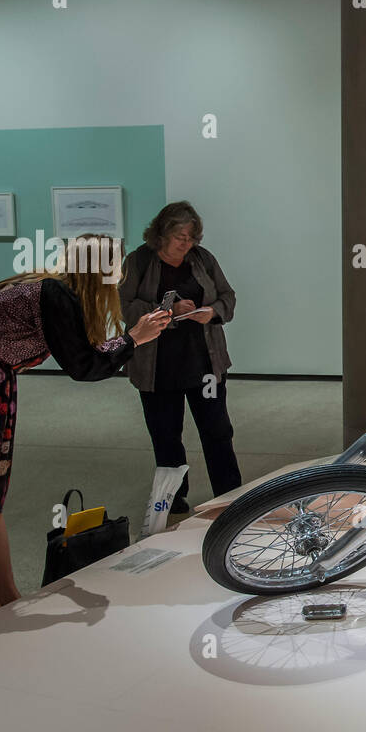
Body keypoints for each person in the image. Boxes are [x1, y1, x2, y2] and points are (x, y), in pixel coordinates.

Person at [0, 239, 172, 617]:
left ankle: (8, 598)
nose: (122, 274)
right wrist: (133, 339)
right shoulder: (55, 295)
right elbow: (83, 367)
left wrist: (132, 339)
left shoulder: (51, 288)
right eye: (117, 266)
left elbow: (84, 355)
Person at [120, 202, 242, 514]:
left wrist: (212, 311)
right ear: (161, 234)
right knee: (166, 436)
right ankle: (173, 500)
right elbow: (124, 307)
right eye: (180, 237)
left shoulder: (203, 259)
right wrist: (169, 312)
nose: (186, 244)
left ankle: (230, 496)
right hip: (157, 367)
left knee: (217, 431)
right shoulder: (138, 262)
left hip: (204, 363)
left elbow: (228, 296)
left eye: (191, 237)